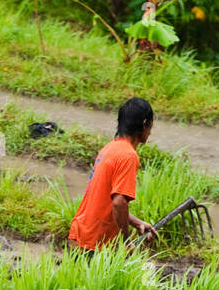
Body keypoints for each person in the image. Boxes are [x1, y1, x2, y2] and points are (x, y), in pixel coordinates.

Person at [67, 97, 158, 253]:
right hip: (94, 244)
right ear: (145, 124)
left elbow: (104, 201)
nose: (150, 132)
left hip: (80, 235)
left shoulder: (109, 149)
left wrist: (137, 223)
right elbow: (119, 202)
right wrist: (125, 242)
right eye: (151, 125)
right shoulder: (128, 155)